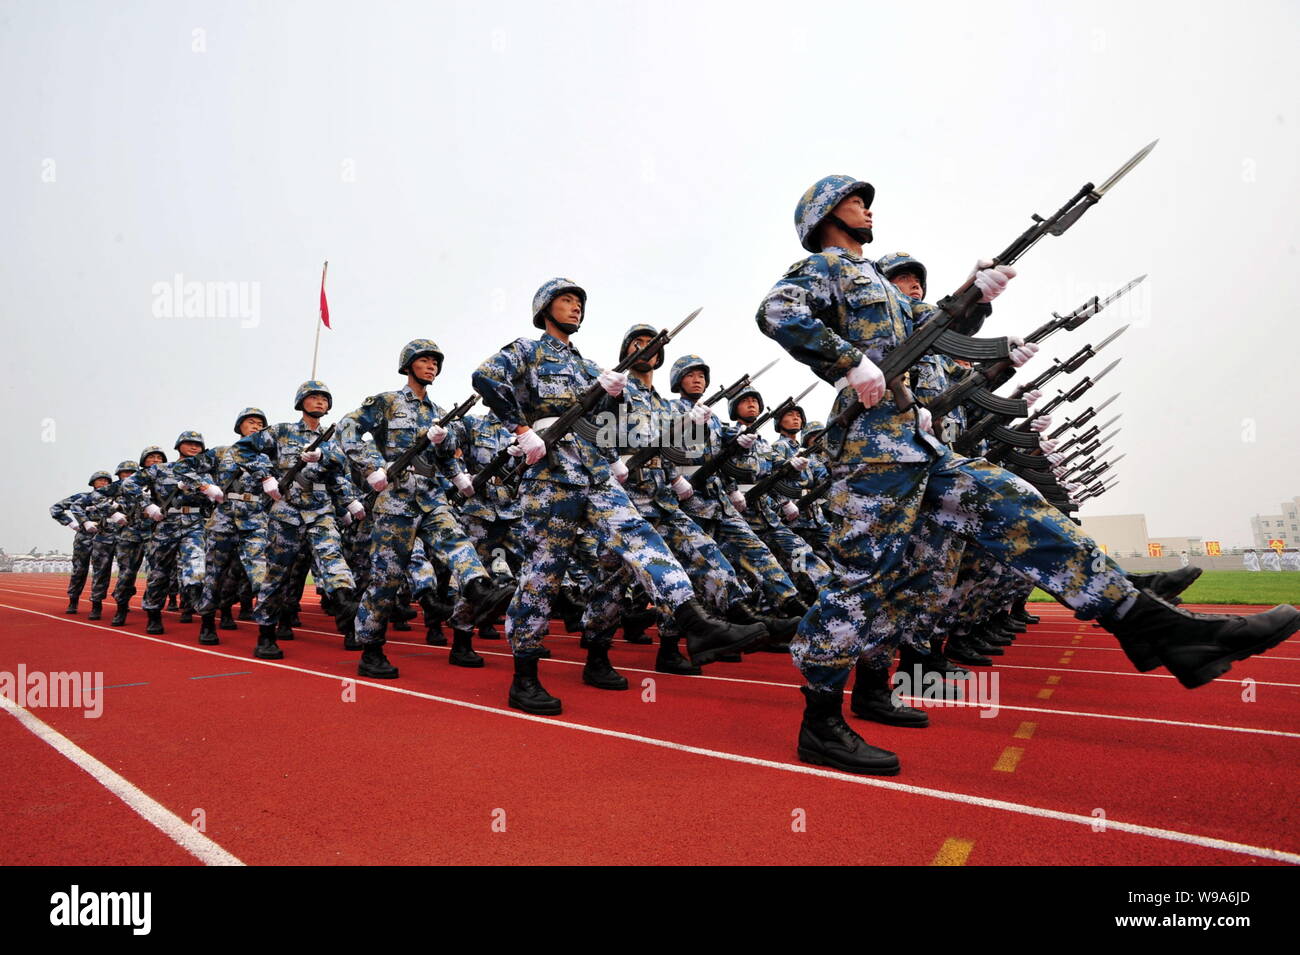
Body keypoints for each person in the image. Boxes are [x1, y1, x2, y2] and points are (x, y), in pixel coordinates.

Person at [754, 173, 1300, 774]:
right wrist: (848, 361)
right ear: (825, 215)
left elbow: (934, 330)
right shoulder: (826, 270)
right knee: (861, 583)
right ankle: (821, 722)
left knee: (1019, 508)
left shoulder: (881, 283)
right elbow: (775, 312)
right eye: (855, 201)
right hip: (871, 448)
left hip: (920, 444)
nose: (867, 208)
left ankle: (1157, 629)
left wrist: (977, 294)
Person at [472, 278, 766, 714]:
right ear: (544, 308)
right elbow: (485, 377)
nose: (574, 308)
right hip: (550, 475)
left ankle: (693, 620)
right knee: (542, 574)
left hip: (593, 470)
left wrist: (610, 398)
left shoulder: (591, 366)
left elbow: (620, 421)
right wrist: (521, 429)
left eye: (578, 303)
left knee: (640, 537)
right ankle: (524, 675)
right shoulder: (527, 351)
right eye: (566, 301)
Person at [336, 339, 515, 677]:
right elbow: (348, 428)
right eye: (425, 360)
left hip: (432, 496)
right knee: (386, 578)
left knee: (457, 541)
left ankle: (480, 587)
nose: (432, 366)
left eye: (436, 361)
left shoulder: (438, 412)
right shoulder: (387, 402)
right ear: (409, 365)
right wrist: (371, 465)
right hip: (396, 497)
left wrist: (459, 475)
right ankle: (371, 647)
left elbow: (446, 456)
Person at [231, 381, 364, 660]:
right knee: (277, 574)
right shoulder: (281, 432)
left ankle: (348, 612)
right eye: (313, 397)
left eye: (324, 399)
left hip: (320, 510)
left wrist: (345, 497)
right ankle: (266, 632)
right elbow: (242, 449)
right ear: (301, 401)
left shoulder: (332, 439)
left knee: (333, 560)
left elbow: (339, 469)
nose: (319, 402)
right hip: (286, 512)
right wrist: (265, 475)